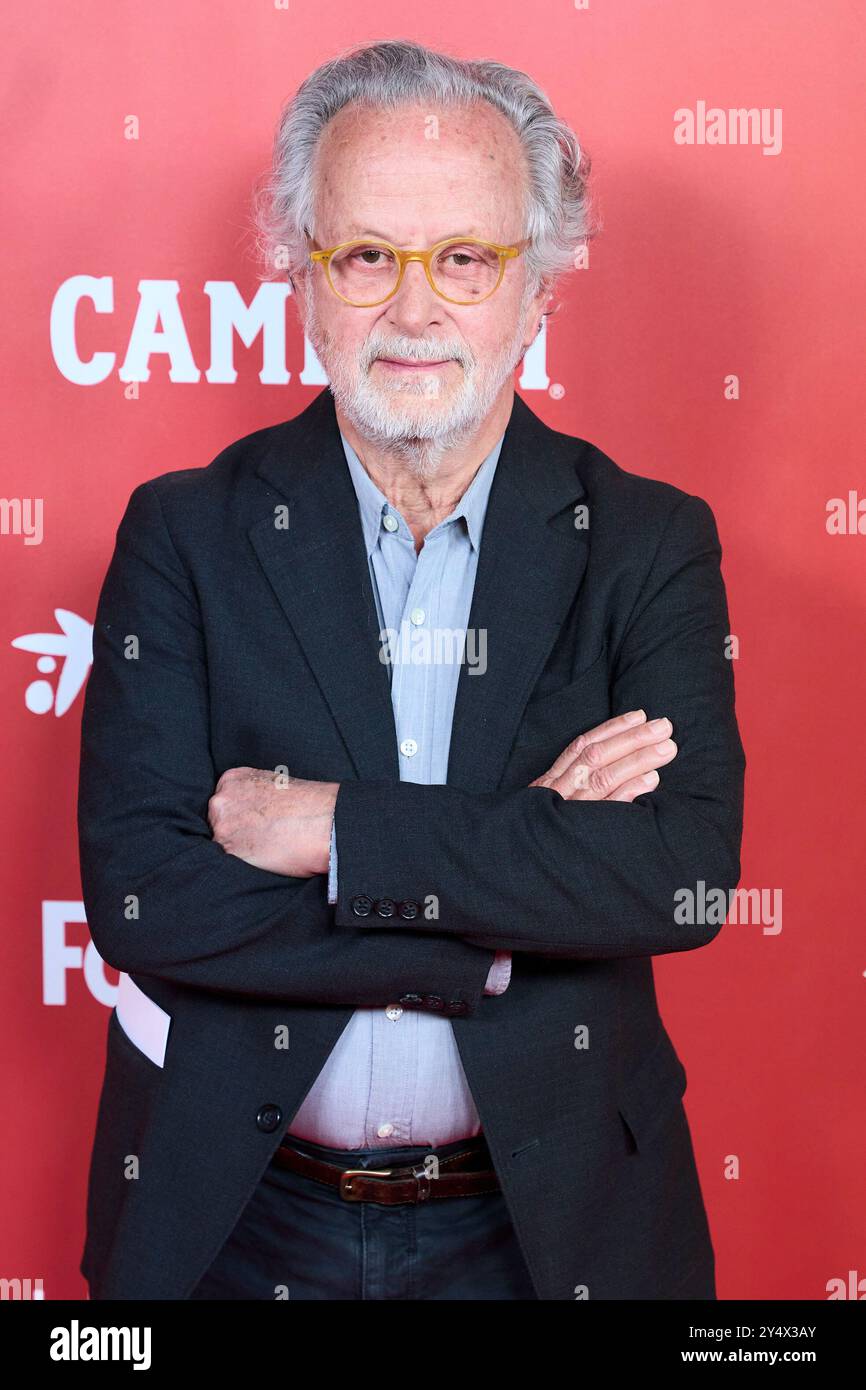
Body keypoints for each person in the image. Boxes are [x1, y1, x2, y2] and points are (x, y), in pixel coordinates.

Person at [78, 38, 745, 1301]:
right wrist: (497, 917)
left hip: (549, 1229)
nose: (416, 307)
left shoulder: (649, 541)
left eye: (466, 259)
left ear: (537, 292)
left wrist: (333, 829)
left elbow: (681, 879)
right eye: (368, 255)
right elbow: (148, 898)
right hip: (237, 1220)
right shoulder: (185, 532)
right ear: (305, 282)